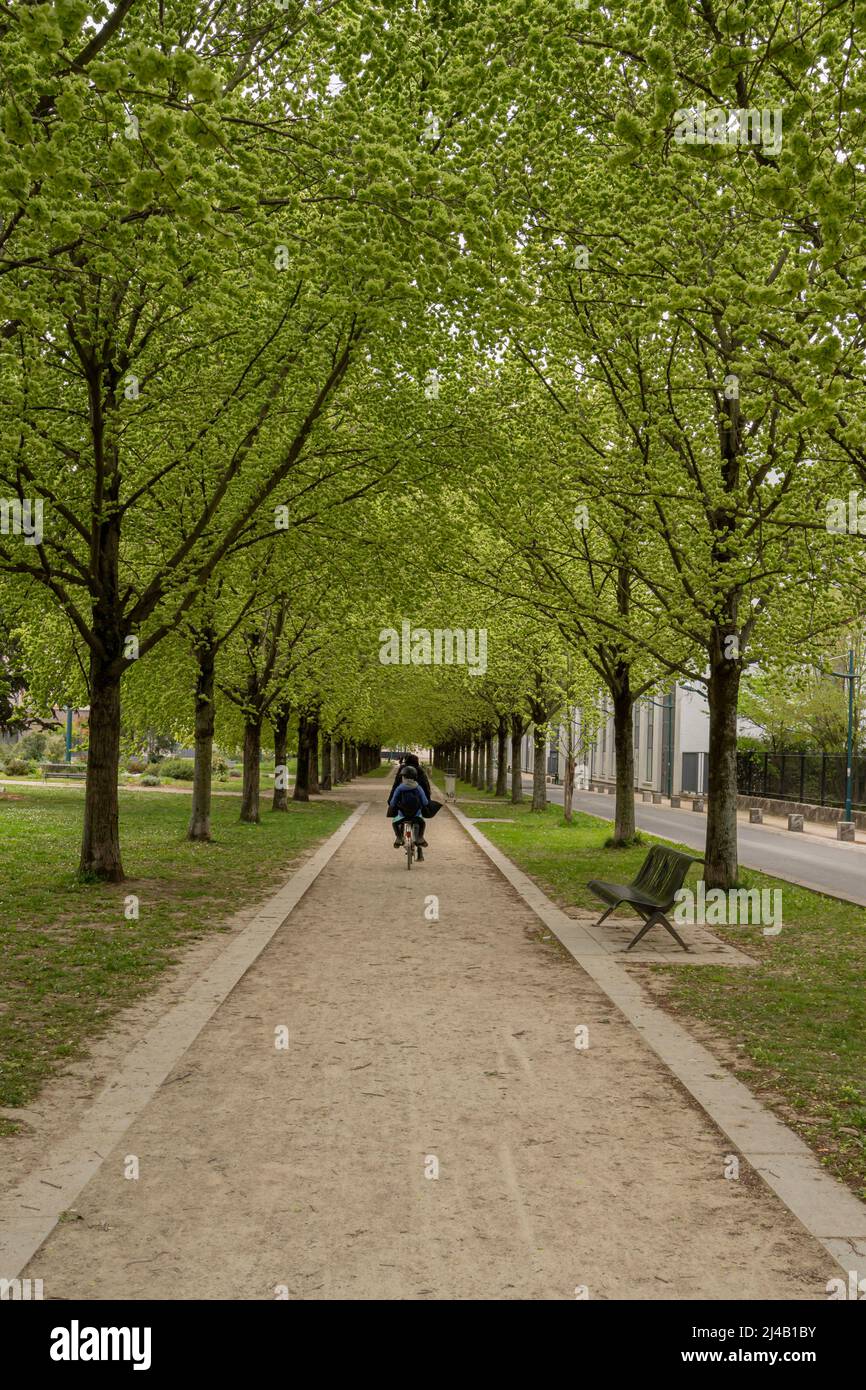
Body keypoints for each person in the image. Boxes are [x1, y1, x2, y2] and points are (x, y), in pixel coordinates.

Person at [388, 767, 429, 851]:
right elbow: (425, 802)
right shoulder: (418, 788)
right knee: (422, 823)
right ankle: (420, 838)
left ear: (403, 777)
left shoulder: (399, 788)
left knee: (394, 823)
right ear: (415, 777)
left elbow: (392, 803)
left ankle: (399, 838)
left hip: (402, 815)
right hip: (416, 815)